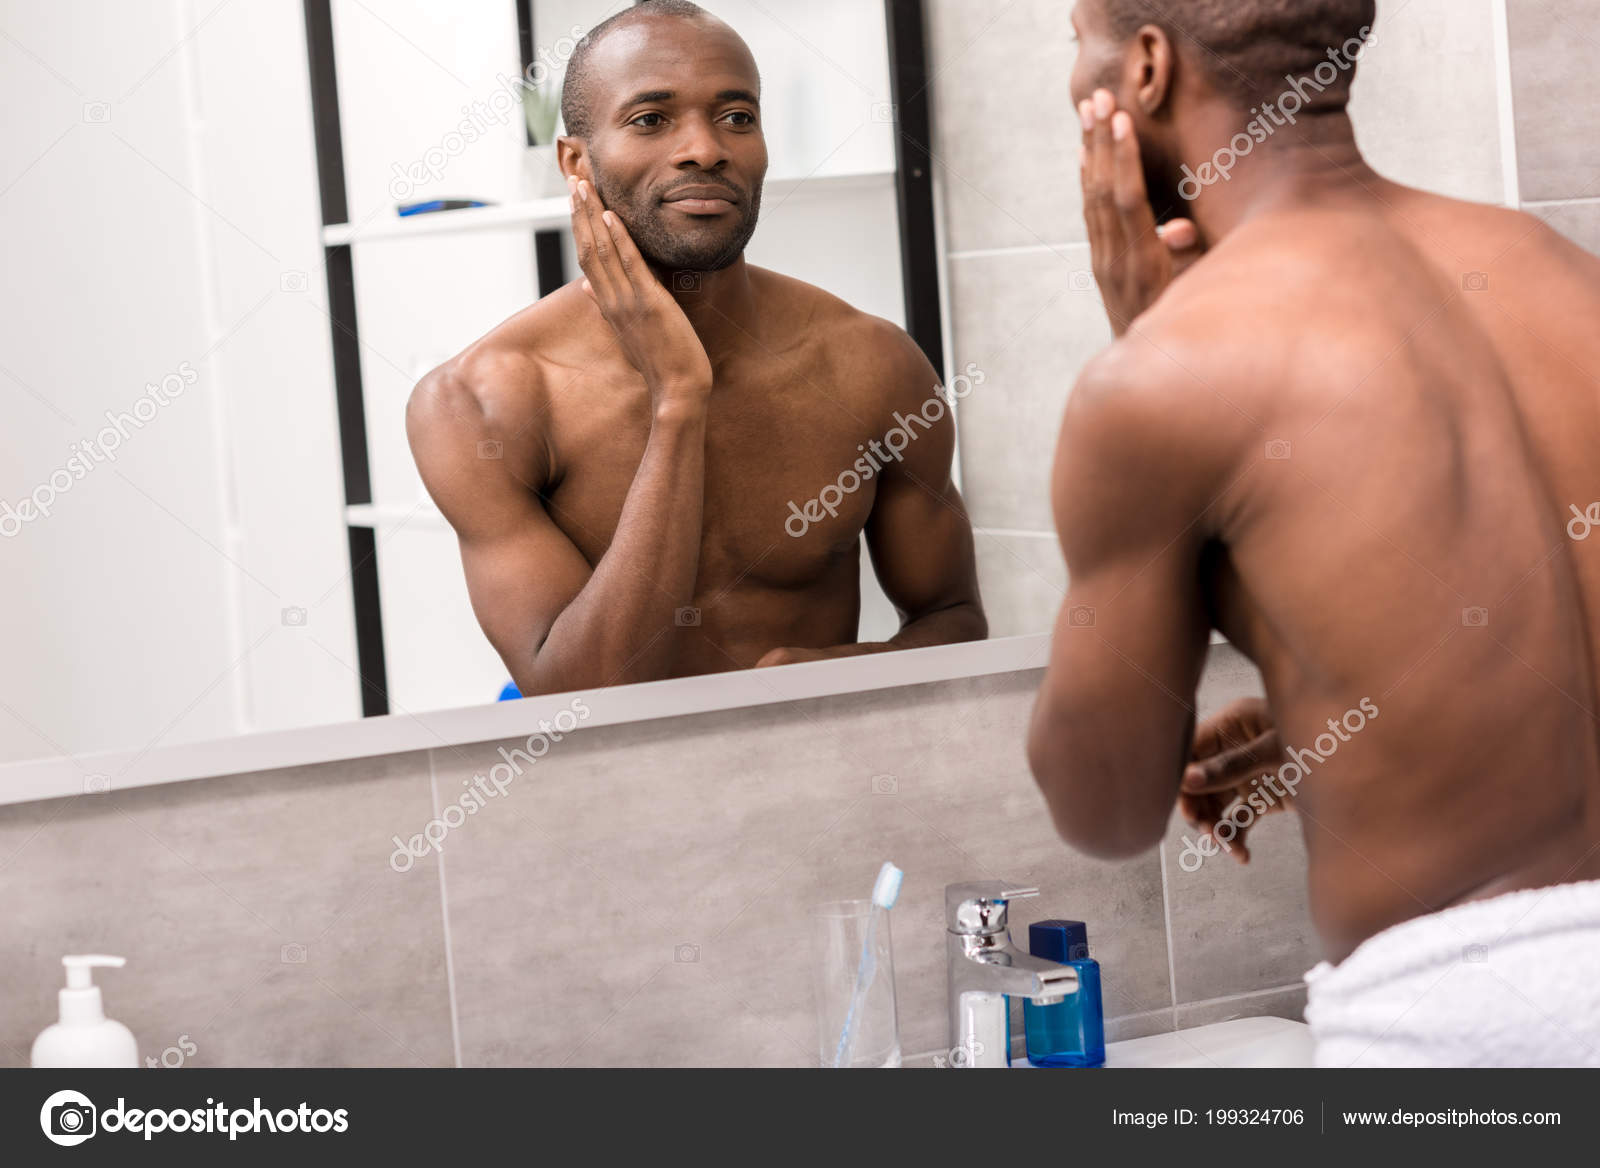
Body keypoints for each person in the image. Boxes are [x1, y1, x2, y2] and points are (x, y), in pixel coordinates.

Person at [1027, 0, 1600, 1066]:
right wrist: (1352, 721)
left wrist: (1152, 355)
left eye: (1079, 43)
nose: (1075, 84)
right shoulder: (1564, 273)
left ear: (1145, 68)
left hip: (1466, 1032)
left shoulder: (1171, 375)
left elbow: (1103, 808)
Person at [408, 0, 984, 697]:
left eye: (737, 117)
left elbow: (953, 619)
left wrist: (839, 673)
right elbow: (579, 695)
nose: (706, 149)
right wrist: (679, 397)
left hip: (817, 775)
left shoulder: (871, 365)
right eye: (651, 119)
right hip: (606, 793)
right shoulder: (482, 401)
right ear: (575, 162)